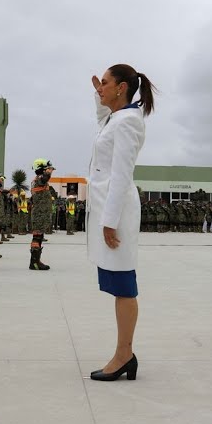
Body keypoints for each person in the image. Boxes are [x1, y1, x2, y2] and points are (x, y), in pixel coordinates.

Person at [86, 64, 156, 381]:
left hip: (117, 212)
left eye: (106, 83)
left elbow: (122, 174)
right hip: (107, 210)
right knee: (116, 284)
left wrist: (110, 220)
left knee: (124, 285)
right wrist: (97, 96)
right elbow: (102, 121)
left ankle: (124, 354)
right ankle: (124, 353)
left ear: (122, 87)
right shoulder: (116, 118)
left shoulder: (128, 122)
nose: (101, 87)